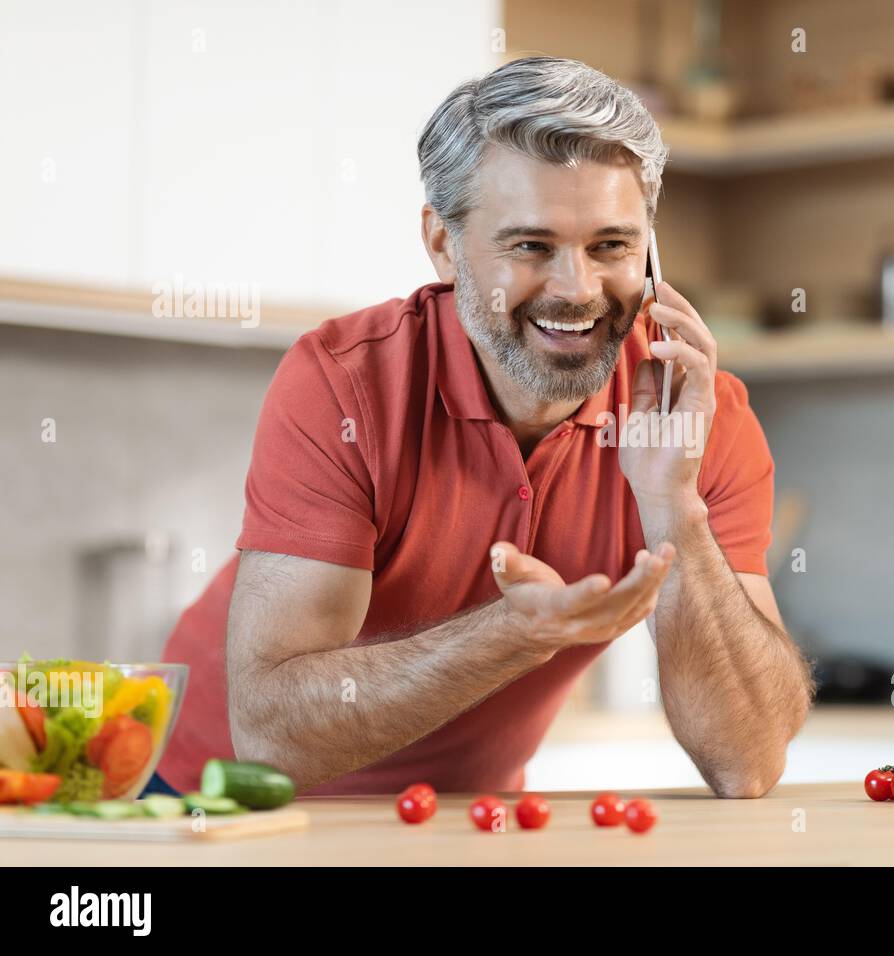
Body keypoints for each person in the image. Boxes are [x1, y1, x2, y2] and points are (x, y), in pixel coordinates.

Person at [156, 55, 813, 799]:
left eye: (612, 246)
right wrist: (514, 634)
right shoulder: (345, 384)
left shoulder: (695, 409)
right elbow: (273, 739)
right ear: (443, 244)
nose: (577, 290)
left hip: (462, 819)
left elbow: (748, 761)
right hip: (219, 806)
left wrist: (672, 504)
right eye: (531, 246)